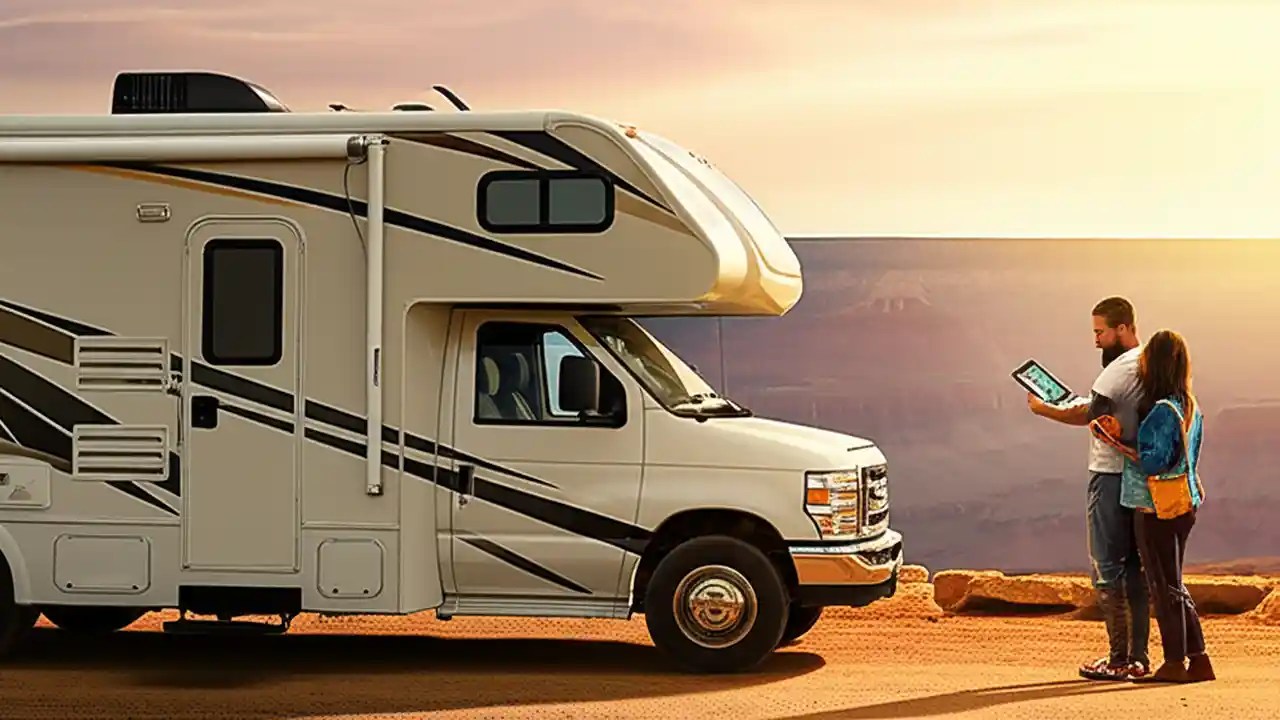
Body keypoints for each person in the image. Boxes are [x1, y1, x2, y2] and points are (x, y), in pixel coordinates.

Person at [1026, 296, 1150, 681]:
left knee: (1107, 567)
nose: (1096, 340)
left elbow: (1089, 414)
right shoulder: (1145, 360)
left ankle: (1118, 658)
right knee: (1134, 567)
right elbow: (1104, 409)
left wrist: (1045, 409)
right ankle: (1138, 658)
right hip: (1134, 476)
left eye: (1101, 331)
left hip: (1109, 476)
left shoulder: (1117, 370)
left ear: (1124, 328)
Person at [1094, 329, 1213, 683]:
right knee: (1174, 584)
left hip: (1154, 508)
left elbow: (1153, 463)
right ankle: (1199, 659)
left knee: (1163, 587)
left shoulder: (1162, 411)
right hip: (1183, 503)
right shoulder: (1189, 404)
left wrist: (1116, 444)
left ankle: (1175, 662)